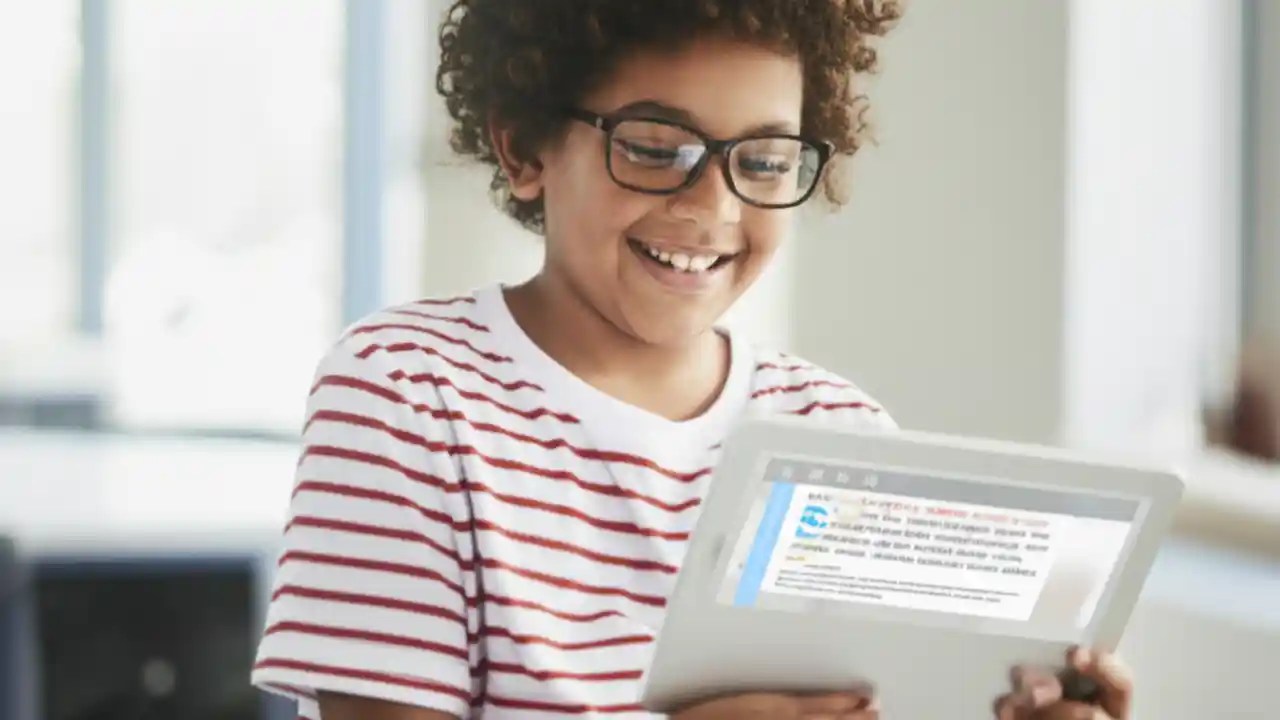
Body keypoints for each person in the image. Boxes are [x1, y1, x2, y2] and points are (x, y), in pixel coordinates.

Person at [251, 1, 1135, 718]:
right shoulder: (405, 391)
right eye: (652, 147)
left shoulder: (840, 432)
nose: (711, 205)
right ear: (525, 148)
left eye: (764, 158)